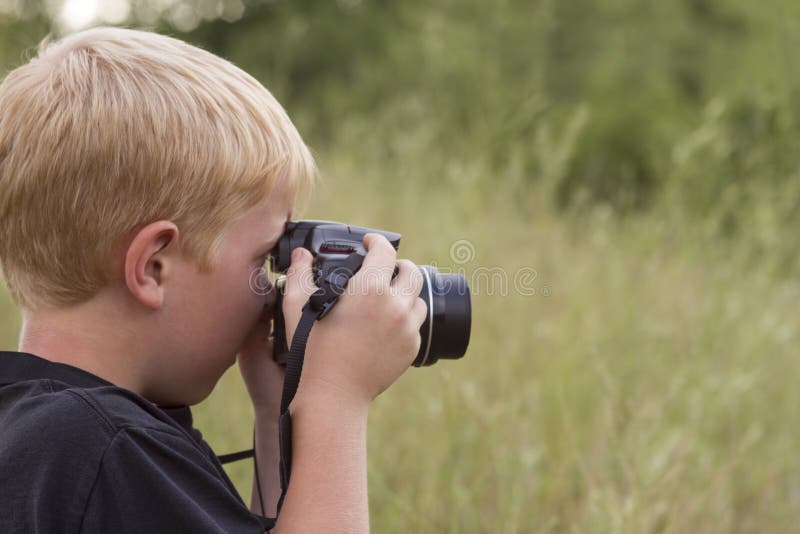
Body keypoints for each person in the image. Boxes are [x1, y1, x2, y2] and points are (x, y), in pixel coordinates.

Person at [0, 27, 427, 533]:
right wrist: (336, 397)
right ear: (153, 268)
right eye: (265, 258)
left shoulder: (46, 435)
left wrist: (279, 415)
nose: (272, 295)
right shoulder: (109, 450)